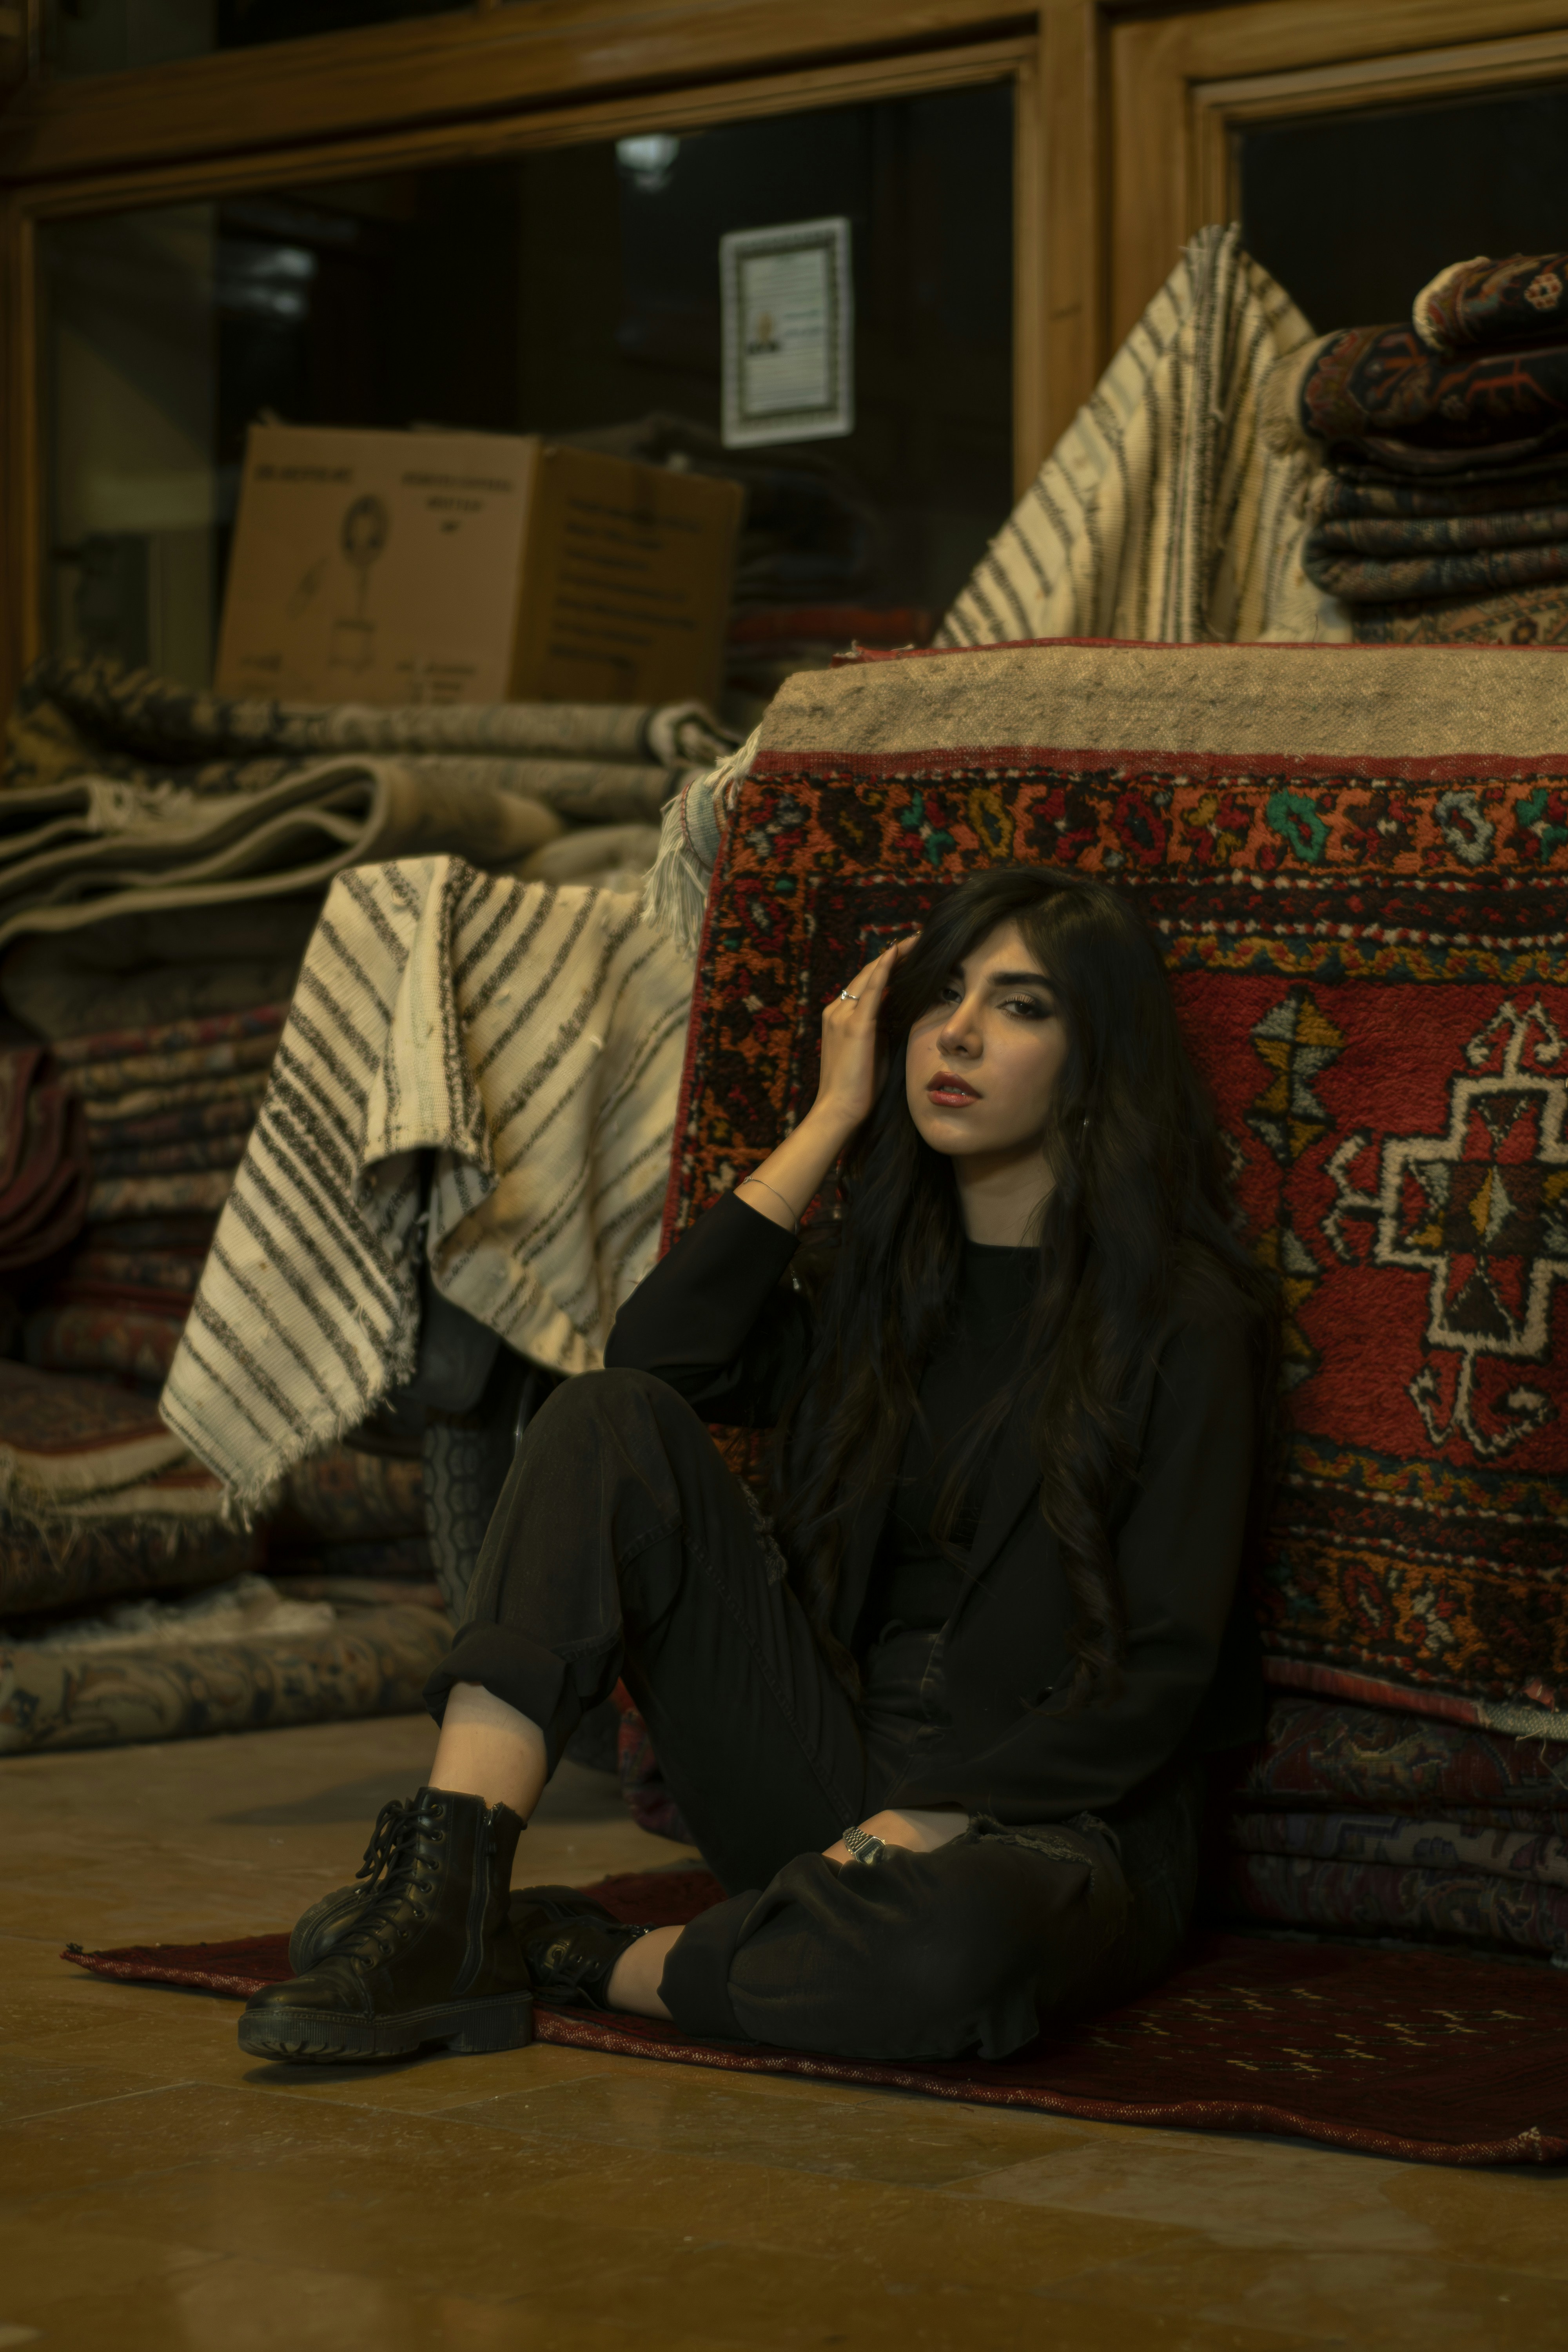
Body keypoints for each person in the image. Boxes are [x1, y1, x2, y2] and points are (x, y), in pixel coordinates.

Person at [240, 864, 1275, 2066]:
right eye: (942, 994)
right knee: (600, 1416)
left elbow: (1161, 1673)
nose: (960, 1031)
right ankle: (447, 1893)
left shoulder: (1188, 1321)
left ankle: (568, 1957)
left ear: (1100, 1060)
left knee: (943, 1961)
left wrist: (904, 1832)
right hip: (821, 1775)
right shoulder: (873, 1289)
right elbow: (654, 1359)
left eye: (1022, 1006)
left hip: (1049, 1830)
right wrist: (831, 1120)